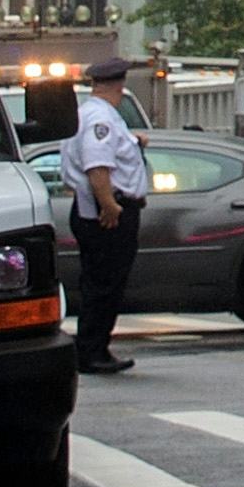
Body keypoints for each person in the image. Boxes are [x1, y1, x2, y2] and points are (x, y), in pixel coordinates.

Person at [65, 52, 149, 374]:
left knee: (100, 281)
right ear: (119, 85)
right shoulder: (101, 119)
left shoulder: (89, 114)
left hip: (97, 207)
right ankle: (92, 351)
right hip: (106, 211)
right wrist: (110, 204)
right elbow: (97, 165)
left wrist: (134, 143)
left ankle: (93, 347)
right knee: (105, 284)